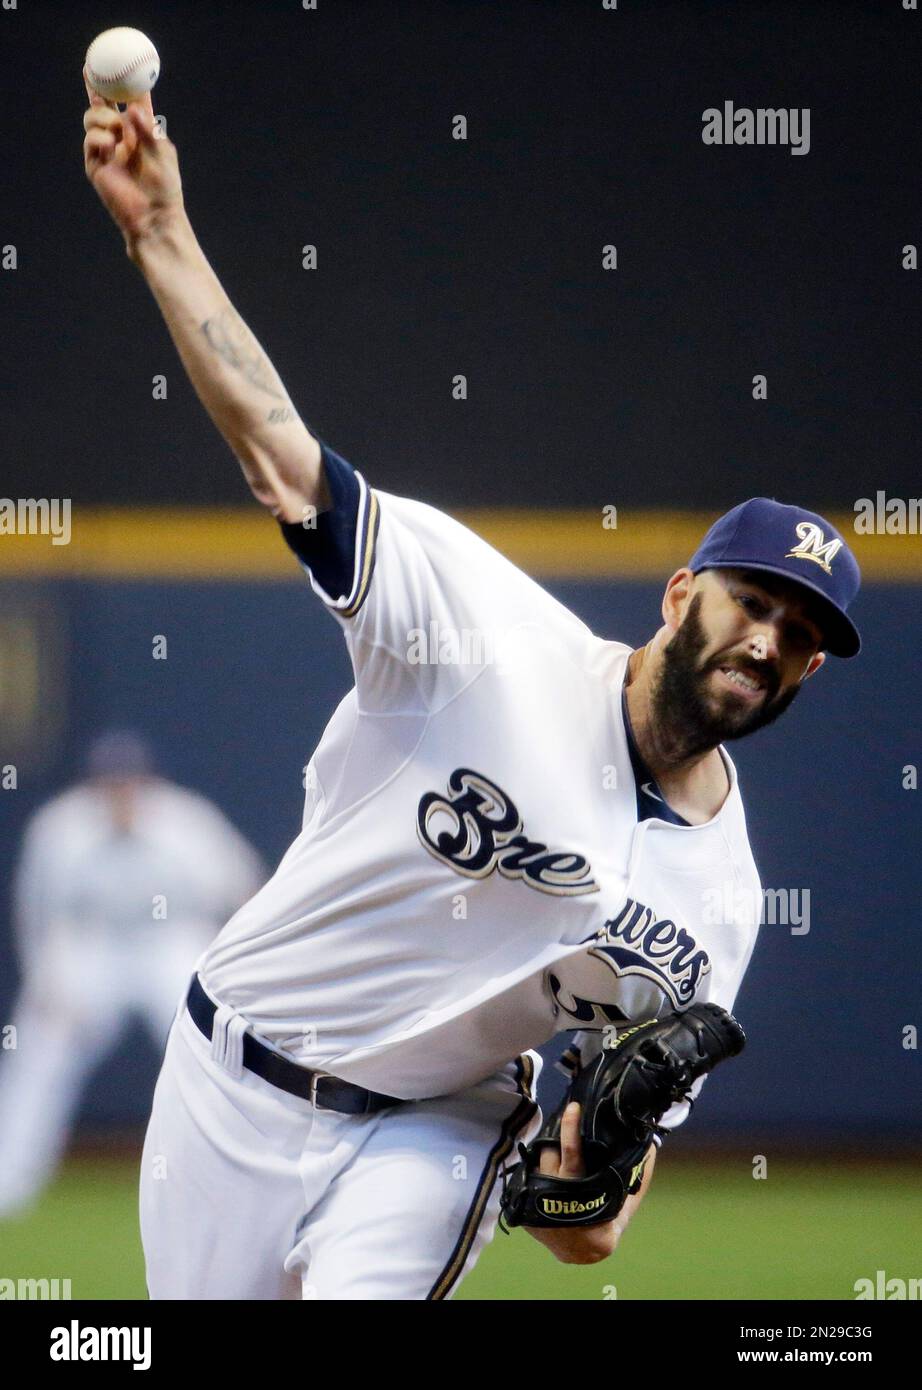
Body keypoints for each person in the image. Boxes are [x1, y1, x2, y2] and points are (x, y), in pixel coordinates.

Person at [81, 76, 862, 1299]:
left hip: (438, 1128)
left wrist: (595, 1179)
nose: (769, 638)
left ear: (810, 671)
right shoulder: (483, 632)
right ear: (679, 593)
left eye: (802, 633)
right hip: (228, 1075)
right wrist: (159, 234)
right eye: (754, 600)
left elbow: (589, 1229)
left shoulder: (721, 904)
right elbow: (283, 460)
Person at [0, 730, 265, 1217]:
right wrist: (47, 982)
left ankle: (239, 1174)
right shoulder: (60, 827)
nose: (120, 793)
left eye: (128, 782)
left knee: (211, 1046)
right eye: (110, 783)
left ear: (145, 782)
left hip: (169, 942)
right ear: (95, 785)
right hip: (92, 947)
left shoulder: (186, 821)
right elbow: (36, 915)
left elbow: (245, 887)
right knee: (40, 1045)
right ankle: (9, 1182)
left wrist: (234, 972)